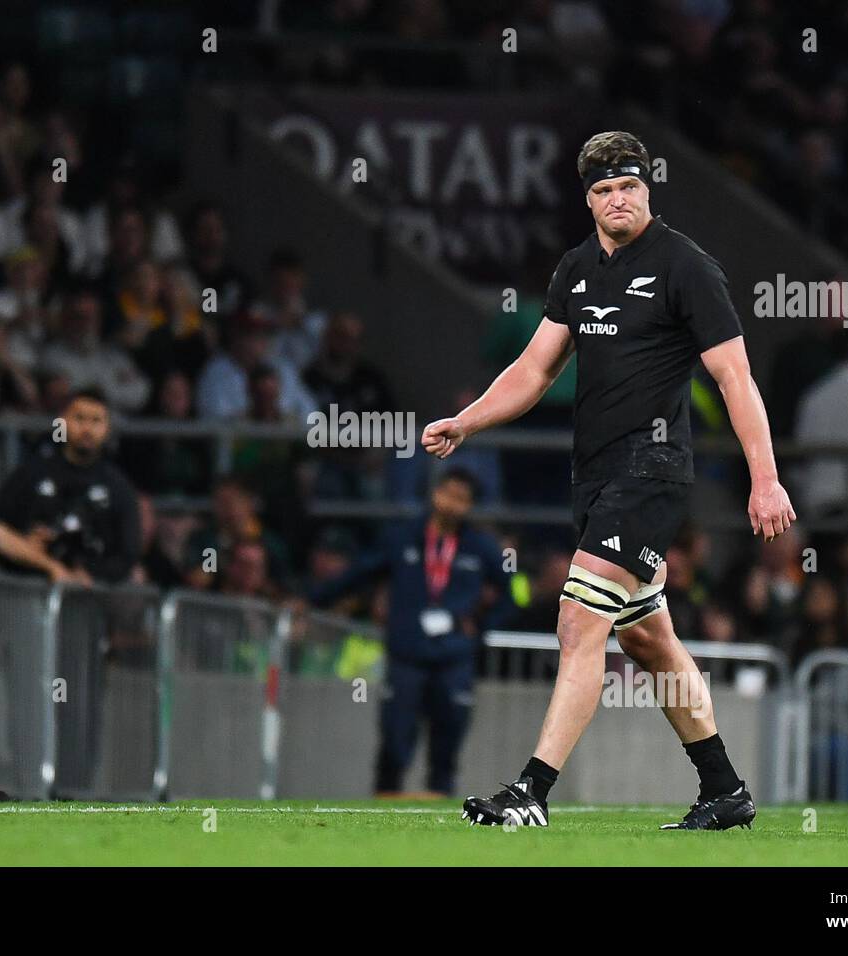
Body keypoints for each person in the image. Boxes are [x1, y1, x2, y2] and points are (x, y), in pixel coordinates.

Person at [422, 131, 796, 830]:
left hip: (650, 473)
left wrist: (765, 479)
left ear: (647, 190)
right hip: (594, 478)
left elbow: (735, 378)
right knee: (646, 638)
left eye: (627, 187)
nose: (616, 200)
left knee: (577, 618)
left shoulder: (687, 266)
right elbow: (535, 371)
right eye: (602, 191)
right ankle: (724, 790)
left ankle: (531, 790)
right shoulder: (576, 269)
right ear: (588, 200)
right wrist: (467, 421)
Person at [308, 468, 514, 796]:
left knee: (448, 740)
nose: (452, 504)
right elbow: (359, 573)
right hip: (407, 653)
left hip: (454, 656)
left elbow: (511, 592)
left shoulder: (480, 548)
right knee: (395, 736)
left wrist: (481, 629)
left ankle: (443, 807)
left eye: (462, 499)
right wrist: (312, 599)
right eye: (448, 493)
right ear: (434, 494)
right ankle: (383, 799)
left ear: (470, 506)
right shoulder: (402, 537)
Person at [0, 388, 141, 585]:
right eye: (79, 418)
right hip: (30, 588)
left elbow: (128, 552)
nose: (87, 429)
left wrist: (92, 574)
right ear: (62, 421)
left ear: (107, 429)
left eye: (96, 421)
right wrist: (25, 543)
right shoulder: (32, 473)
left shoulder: (118, 486)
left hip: (92, 598)